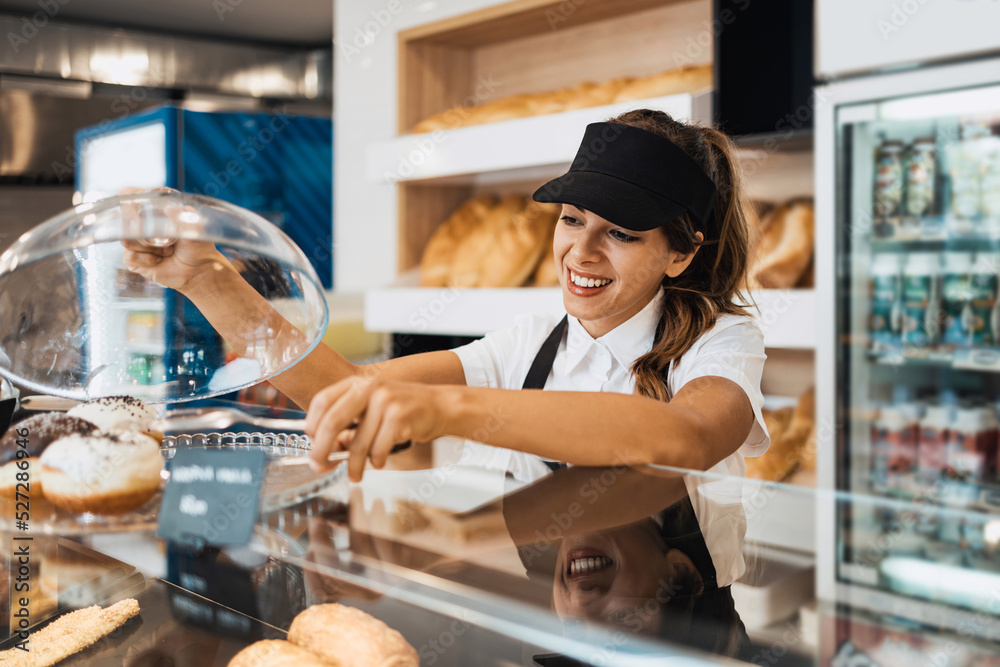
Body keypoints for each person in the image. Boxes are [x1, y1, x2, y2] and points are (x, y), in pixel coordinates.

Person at [123, 109, 768, 483]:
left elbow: (687, 436)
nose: (582, 252)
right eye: (572, 220)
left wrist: (448, 408)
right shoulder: (530, 343)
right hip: (559, 629)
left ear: (681, 253)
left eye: (621, 233)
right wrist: (206, 278)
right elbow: (345, 392)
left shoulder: (721, 343)